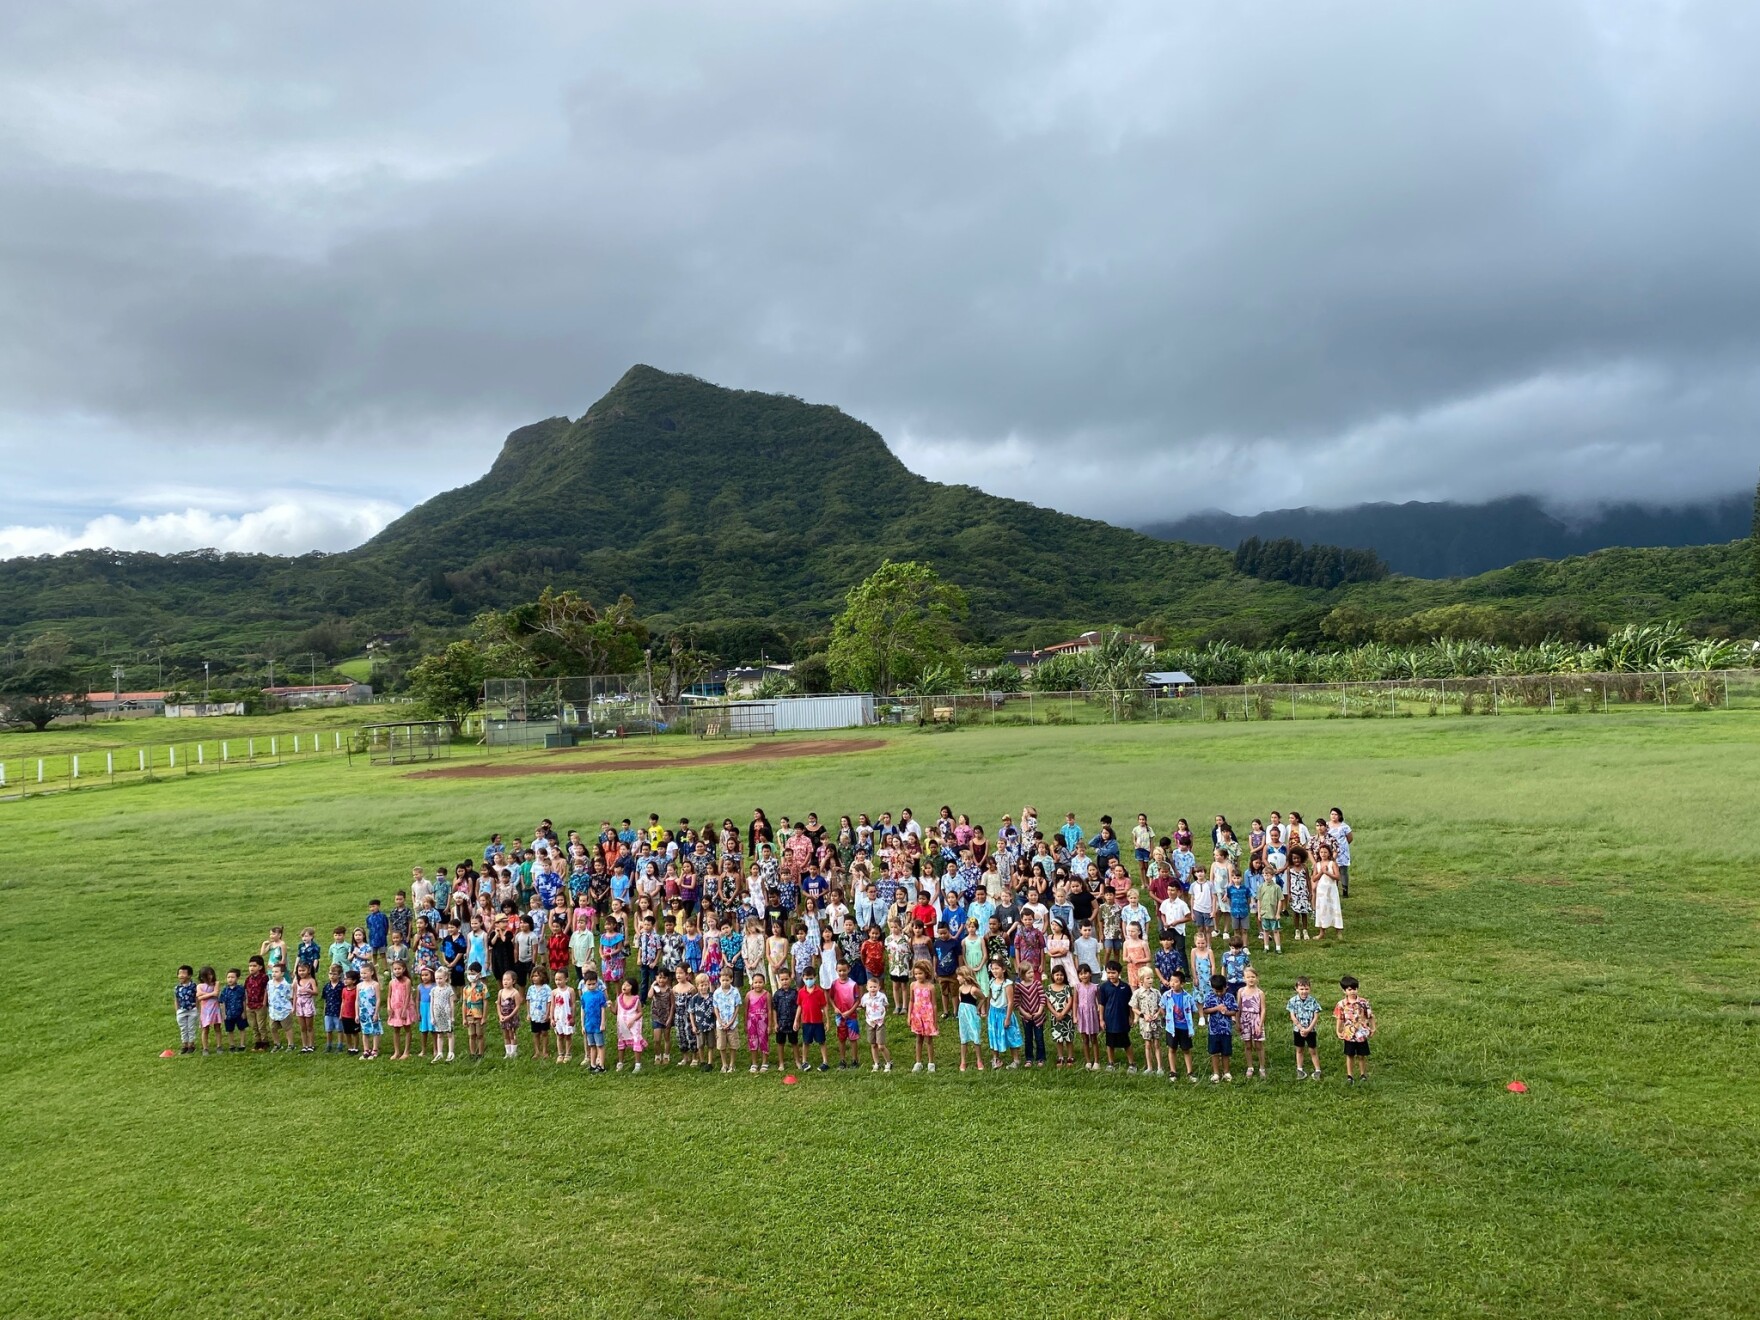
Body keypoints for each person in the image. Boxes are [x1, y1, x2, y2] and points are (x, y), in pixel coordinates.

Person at [1334, 974, 1376, 1082]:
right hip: (1349, 1034)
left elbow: (1370, 1016)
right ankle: (1350, 1075)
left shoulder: (1363, 1002)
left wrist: (1373, 1028)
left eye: (1355, 989)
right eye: (1350, 989)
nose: (1353, 991)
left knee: (1362, 1055)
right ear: (1344, 991)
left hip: (1361, 1034)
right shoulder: (1341, 1004)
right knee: (1350, 1055)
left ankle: (1363, 1074)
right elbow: (1340, 1018)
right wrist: (1338, 1030)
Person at [1160, 971, 1197, 1082]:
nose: (1172, 983)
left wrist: (1189, 1021)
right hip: (1171, 1028)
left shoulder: (1188, 997)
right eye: (1171, 981)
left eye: (1176, 981)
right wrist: (1166, 1016)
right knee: (1172, 1049)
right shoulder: (1166, 996)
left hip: (1185, 1028)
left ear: (1182, 983)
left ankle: (1190, 1072)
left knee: (1186, 1049)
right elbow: (1161, 1007)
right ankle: (1173, 1071)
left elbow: (1193, 1010)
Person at [1096, 961, 1133, 1070]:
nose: (1111, 975)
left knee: (1126, 1042)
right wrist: (1101, 1019)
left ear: (1119, 973)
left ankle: (1132, 1064)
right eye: (1108, 973)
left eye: (1113, 972)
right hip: (1110, 1020)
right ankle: (1110, 1063)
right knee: (1110, 1043)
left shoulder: (1125, 987)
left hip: (1122, 1019)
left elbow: (1130, 1004)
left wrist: (1131, 1017)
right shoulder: (1103, 987)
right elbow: (1101, 1004)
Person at [1202, 973, 1236, 1082]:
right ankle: (1216, 1073)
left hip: (1226, 1030)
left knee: (1225, 1052)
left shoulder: (1230, 997)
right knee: (1214, 1052)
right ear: (1212, 988)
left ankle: (1226, 1072)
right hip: (1213, 1030)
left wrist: (1226, 1012)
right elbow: (1205, 1010)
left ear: (1226, 987)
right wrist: (1216, 1008)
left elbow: (1234, 1011)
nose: (1219, 993)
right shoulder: (1209, 996)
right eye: (1216, 991)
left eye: (1221, 991)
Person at [1130, 965, 1162, 1075]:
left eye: (1152, 977)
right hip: (1145, 1023)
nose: (1151, 980)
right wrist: (1142, 1015)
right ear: (1141, 980)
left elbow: (1161, 1006)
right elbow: (1134, 1007)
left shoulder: (1156, 992)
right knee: (1148, 1044)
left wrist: (1157, 1014)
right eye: (1148, 978)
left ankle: (1159, 1067)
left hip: (1155, 1022)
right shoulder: (1138, 993)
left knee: (1157, 1044)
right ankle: (1149, 1067)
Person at [907, 961, 938, 1071]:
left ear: (926, 973)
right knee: (918, 1039)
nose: (918, 976)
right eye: (916, 974)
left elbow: (934, 1004)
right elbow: (911, 1000)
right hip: (917, 1015)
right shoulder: (913, 985)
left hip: (927, 1016)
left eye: (920, 973)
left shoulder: (931, 987)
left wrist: (935, 1020)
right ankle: (918, 1062)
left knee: (928, 1040)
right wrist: (909, 1015)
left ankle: (931, 1063)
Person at [830, 962, 862, 1069]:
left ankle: (854, 1060)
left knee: (853, 1039)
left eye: (844, 970)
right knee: (841, 1038)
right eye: (840, 970)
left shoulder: (853, 984)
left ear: (848, 970)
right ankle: (842, 1060)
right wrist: (834, 1007)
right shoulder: (834, 984)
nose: (842, 973)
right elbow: (830, 997)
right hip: (840, 1017)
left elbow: (857, 1000)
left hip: (851, 1016)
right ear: (836, 970)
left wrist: (850, 1011)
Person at [797, 967, 829, 1071]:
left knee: (822, 1041)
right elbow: (799, 1006)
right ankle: (804, 1062)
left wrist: (827, 1021)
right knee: (806, 1042)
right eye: (806, 978)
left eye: (810, 978)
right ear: (803, 978)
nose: (808, 980)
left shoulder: (819, 991)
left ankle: (825, 1062)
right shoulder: (801, 992)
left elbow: (824, 1006)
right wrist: (796, 1020)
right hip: (806, 1022)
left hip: (818, 1022)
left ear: (815, 977)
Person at [1237, 967, 1267, 1078]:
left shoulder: (1260, 993)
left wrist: (1260, 1023)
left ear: (1257, 978)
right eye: (1248, 977)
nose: (1251, 979)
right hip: (1245, 1019)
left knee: (1259, 1045)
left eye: (1253, 977)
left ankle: (1262, 1067)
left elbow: (1263, 1009)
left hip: (1256, 1019)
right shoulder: (1241, 991)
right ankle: (1250, 1067)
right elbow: (1238, 1007)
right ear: (1244, 978)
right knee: (1247, 1044)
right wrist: (1237, 1022)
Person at [955, 967, 985, 1072]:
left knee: (975, 1036)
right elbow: (960, 1000)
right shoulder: (960, 989)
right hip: (963, 1016)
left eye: (959, 976)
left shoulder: (974, 989)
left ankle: (979, 1060)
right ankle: (963, 1061)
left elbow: (983, 997)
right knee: (963, 1037)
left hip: (972, 1015)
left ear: (965, 976)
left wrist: (977, 1008)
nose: (957, 978)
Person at [579, 968, 608, 1073]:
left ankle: (602, 1065)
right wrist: (582, 1025)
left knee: (600, 1045)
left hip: (597, 1024)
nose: (591, 986)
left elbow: (603, 1009)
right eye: (589, 984)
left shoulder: (600, 995)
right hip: (588, 1025)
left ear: (597, 983)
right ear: (585, 984)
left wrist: (603, 1023)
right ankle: (593, 1064)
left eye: (593, 984)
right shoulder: (584, 996)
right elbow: (583, 1010)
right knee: (592, 1046)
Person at [1045, 965, 1075, 1067]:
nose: (1059, 977)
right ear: (1052, 976)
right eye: (1057, 975)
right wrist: (1056, 1013)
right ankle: (1060, 1056)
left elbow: (1070, 1001)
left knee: (1068, 1038)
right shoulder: (1049, 988)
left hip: (1067, 1016)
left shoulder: (1067, 987)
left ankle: (1070, 1056)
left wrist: (1063, 1013)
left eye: (1061, 975)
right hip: (1055, 1018)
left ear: (1064, 976)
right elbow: (1048, 1002)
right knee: (1059, 1038)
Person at [1313, 844, 1344, 940]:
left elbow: (1337, 877)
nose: (1323, 854)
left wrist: (1327, 873)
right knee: (1322, 909)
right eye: (1321, 852)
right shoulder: (1317, 865)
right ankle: (1322, 932)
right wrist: (1321, 872)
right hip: (1321, 891)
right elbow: (1314, 878)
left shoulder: (1332, 863)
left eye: (1325, 852)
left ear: (1329, 853)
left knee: (1335, 908)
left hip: (1331, 890)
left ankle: (1338, 932)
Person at [386, 963, 417, 1060]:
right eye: (395, 969)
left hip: (405, 1008)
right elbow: (389, 996)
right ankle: (397, 1051)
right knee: (396, 1030)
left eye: (399, 968)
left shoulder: (407, 981)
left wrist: (404, 1010)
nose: (397, 971)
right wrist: (388, 1007)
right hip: (395, 1009)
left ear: (403, 969)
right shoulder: (391, 982)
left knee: (407, 1029)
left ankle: (406, 1051)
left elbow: (408, 996)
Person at [1074, 963, 1102, 1070]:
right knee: (1085, 1039)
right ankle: (1088, 1061)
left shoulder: (1095, 987)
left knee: (1094, 1038)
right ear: (1078, 976)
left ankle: (1096, 1061)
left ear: (1090, 974)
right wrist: (1075, 1016)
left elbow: (1099, 1002)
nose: (1084, 976)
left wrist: (1099, 1015)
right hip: (1082, 1015)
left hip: (1092, 1014)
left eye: (1086, 973)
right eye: (1081, 974)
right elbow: (1075, 1002)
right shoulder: (1077, 987)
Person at [712, 970, 741, 1073]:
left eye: (727, 980)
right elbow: (715, 1008)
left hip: (732, 1023)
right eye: (723, 980)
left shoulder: (735, 992)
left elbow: (737, 1007)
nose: (725, 982)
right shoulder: (717, 993)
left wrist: (731, 1021)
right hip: (721, 1024)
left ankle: (732, 1064)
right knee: (721, 1045)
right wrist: (720, 1021)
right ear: (719, 979)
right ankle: (724, 1064)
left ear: (731, 980)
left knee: (733, 1044)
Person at [772, 968, 801, 1069]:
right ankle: (781, 1063)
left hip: (792, 1022)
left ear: (790, 979)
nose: (784, 981)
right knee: (780, 1043)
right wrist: (775, 1023)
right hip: (781, 1023)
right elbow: (774, 1009)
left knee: (794, 1042)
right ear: (779, 980)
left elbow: (799, 1007)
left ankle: (797, 1061)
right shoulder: (777, 994)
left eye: (786, 979)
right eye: (782, 979)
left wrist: (797, 1021)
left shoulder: (795, 993)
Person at [615, 977, 645, 1072]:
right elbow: (615, 1011)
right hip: (622, 1024)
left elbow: (640, 1012)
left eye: (628, 985)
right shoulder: (619, 998)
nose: (624, 986)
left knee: (636, 1040)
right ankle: (620, 1063)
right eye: (624, 984)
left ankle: (637, 1064)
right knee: (621, 1041)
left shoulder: (636, 1000)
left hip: (634, 1024)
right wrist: (611, 1006)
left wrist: (633, 1020)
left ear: (633, 988)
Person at [862, 977, 892, 1072]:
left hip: (880, 1023)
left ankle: (888, 1062)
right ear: (867, 987)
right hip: (870, 1023)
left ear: (879, 987)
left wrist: (882, 1015)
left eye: (875, 987)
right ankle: (876, 1063)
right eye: (871, 987)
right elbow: (863, 1006)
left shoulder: (882, 996)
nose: (873, 989)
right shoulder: (865, 997)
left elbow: (886, 1005)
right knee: (873, 1044)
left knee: (881, 1046)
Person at [745, 973, 773, 1073]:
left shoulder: (767, 995)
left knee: (764, 1041)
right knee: (753, 1041)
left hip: (763, 1022)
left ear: (764, 983)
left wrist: (770, 1025)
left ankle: (765, 1062)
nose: (758, 984)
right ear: (752, 983)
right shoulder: (749, 994)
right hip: (751, 1022)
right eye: (755, 982)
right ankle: (754, 1063)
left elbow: (769, 1010)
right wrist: (745, 1024)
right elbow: (746, 1010)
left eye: (760, 982)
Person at [266, 964, 296, 1053]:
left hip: (284, 1010)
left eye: (276, 972)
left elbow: (290, 997)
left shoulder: (286, 985)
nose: (274, 974)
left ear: (282, 973)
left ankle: (291, 1044)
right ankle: (277, 1044)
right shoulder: (269, 983)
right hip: (273, 1011)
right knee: (273, 1028)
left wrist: (292, 1008)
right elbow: (268, 994)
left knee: (287, 1028)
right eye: (273, 972)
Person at [462, 965, 488, 1062]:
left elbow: (485, 1002)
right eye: (469, 974)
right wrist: (464, 1018)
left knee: (479, 1035)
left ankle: (481, 1053)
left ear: (479, 974)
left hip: (479, 1015)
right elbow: (464, 1003)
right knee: (471, 1035)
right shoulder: (466, 988)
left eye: (473, 974)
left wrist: (484, 1017)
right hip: (469, 1016)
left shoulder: (482, 987)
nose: (470, 976)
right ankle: (472, 1053)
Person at [648, 969, 675, 1065]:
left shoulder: (670, 990)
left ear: (667, 979)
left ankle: (666, 1055)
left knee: (667, 1037)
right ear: (656, 978)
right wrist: (653, 985)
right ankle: (658, 1056)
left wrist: (670, 1018)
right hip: (656, 1016)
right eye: (659, 977)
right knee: (657, 1039)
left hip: (667, 1017)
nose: (661, 980)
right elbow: (650, 996)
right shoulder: (655, 989)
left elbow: (672, 1005)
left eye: (664, 977)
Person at [356, 965, 382, 1061]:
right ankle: (366, 1049)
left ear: (371, 973)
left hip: (372, 1011)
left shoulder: (375, 985)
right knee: (365, 1031)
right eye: (362, 973)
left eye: (365, 973)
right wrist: (356, 1014)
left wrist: (376, 1013)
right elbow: (357, 1000)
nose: (363, 975)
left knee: (375, 1030)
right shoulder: (359, 986)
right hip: (363, 1012)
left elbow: (378, 999)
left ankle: (375, 1049)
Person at [430, 964, 455, 1063]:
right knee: (439, 1034)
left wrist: (452, 1016)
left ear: (445, 978)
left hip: (446, 1014)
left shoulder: (449, 989)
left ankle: (450, 1052)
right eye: (436, 978)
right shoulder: (433, 990)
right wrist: (432, 1017)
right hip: (437, 1014)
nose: (438, 980)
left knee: (449, 1033)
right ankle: (439, 1053)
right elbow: (431, 1004)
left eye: (440, 978)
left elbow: (451, 1003)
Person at [243, 956, 270, 1051]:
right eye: (250, 966)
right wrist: (246, 1003)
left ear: (260, 967)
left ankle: (264, 1042)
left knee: (261, 1025)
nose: (251, 968)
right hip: (250, 1005)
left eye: (254, 966)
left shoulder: (264, 978)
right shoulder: (248, 979)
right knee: (254, 1026)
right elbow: (246, 991)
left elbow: (266, 990)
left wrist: (264, 1002)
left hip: (260, 1005)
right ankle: (257, 1042)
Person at [496, 971, 522, 1060]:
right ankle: (508, 1052)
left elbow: (517, 1006)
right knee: (505, 1034)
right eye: (504, 980)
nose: (505, 982)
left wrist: (510, 1016)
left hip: (512, 1017)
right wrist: (500, 1015)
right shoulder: (501, 992)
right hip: (503, 1017)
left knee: (512, 1034)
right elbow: (498, 1004)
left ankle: (513, 1052)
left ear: (513, 981)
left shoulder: (515, 993)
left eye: (508, 980)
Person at [173, 965, 198, 1055]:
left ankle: (191, 1044)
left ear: (189, 975)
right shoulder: (177, 988)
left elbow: (197, 998)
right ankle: (185, 1045)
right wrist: (177, 1010)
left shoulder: (194, 986)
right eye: (179, 973)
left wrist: (196, 1008)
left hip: (192, 1010)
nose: (181, 975)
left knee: (191, 1028)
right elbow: (176, 999)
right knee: (183, 1028)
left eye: (183, 973)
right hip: (181, 1011)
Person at [293, 965, 318, 1054]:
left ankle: (311, 1045)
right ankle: (304, 1045)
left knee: (309, 1027)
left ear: (308, 970)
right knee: (302, 1027)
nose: (301, 972)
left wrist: (310, 991)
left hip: (308, 1004)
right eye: (299, 970)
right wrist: (294, 1007)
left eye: (303, 970)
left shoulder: (311, 980)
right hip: (299, 1005)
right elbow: (295, 994)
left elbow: (316, 992)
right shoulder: (297, 981)